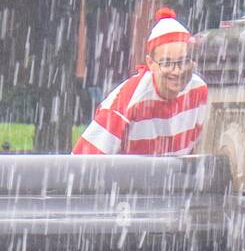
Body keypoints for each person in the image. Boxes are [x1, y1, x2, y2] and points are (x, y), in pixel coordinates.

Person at [72, 8, 208, 156]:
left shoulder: (198, 91)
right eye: (167, 63)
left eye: (183, 62)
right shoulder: (126, 101)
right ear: (150, 63)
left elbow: (195, 151)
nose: (177, 71)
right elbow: (83, 161)